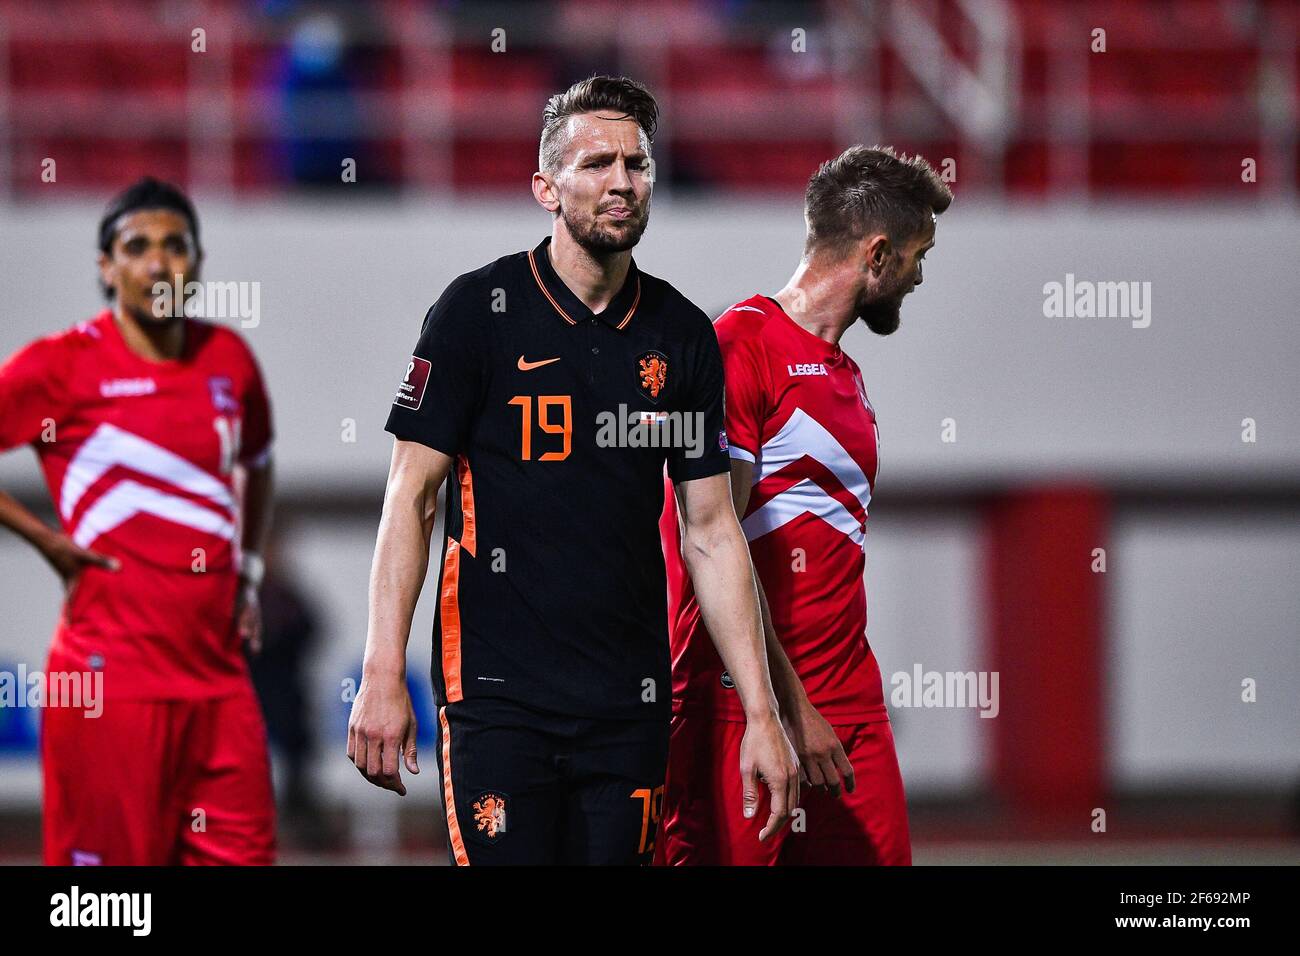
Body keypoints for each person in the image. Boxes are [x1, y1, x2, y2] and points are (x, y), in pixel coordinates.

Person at [348, 75, 798, 865]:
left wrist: (763, 713)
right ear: (545, 189)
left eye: (638, 164)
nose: (622, 182)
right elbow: (410, 500)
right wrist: (381, 671)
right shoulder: (474, 313)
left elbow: (712, 532)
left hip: (629, 704)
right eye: (596, 164)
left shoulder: (681, 336)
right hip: (494, 699)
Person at [658, 146, 951, 865]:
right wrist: (787, 708)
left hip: (849, 711)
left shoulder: (846, 376)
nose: (919, 276)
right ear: (877, 254)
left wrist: (827, 707)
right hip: (737, 708)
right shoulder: (738, 348)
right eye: (917, 256)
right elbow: (709, 542)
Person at [0, 177, 277, 865]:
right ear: (106, 266)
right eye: (138, 246)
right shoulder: (61, 366)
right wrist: (46, 543)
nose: (159, 262)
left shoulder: (228, 361)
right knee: (110, 909)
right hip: (108, 688)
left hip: (219, 683)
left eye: (176, 245)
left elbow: (260, 461)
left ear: (199, 261)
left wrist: (246, 570)